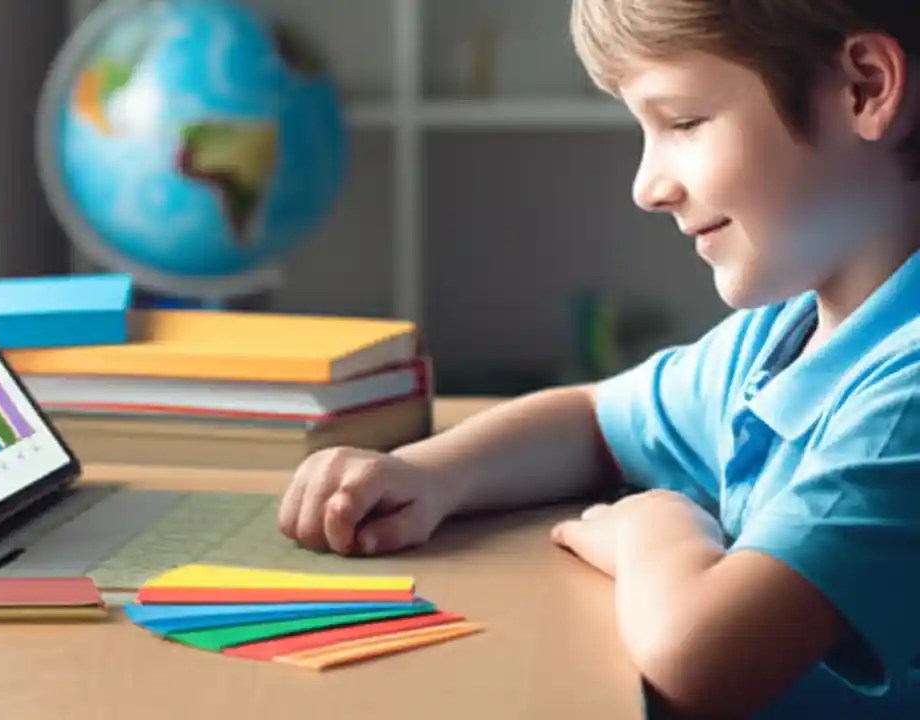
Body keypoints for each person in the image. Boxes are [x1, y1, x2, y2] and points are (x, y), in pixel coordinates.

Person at [277, 2, 920, 717]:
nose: (648, 187)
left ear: (864, 88)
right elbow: (594, 418)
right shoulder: (783, 337)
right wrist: (428, 476)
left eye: (683, 121)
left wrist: (661, 531)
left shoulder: (906, 397)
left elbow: (704, 656)